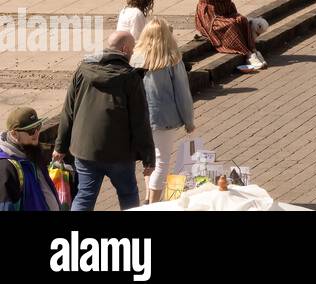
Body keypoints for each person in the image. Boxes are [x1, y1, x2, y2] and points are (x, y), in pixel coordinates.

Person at [54, 30, 153, 211]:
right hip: (120, 154)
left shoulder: (83, 70)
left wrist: (60, 147)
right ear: (124, 49)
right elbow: (140, 121)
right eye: (131, 50)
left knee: (84, 196)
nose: (132, 54)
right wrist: (148, 158)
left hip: (85, 151)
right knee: (128, 194)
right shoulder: (130, 78)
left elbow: (68, 111)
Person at [132, 18, 195, 204]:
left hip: (138, 117)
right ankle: (153, 203)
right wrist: (189, 122)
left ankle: (148, 195)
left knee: (148, 160)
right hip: (163, 118)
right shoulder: (172, 60)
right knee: (161, 161)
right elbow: (182, 94)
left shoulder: (135, 59)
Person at [188, 0, 267, 72]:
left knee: (242, 20)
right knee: (231, 25)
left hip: (227, 11)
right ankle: (248, 54)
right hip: (210, 16)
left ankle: (254, 50)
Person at [0, 106, 59, 210]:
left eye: (38, 127)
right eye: (31, 131)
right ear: (14, 133)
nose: (36, 133)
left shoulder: (32, 150)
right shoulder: (6, 167)